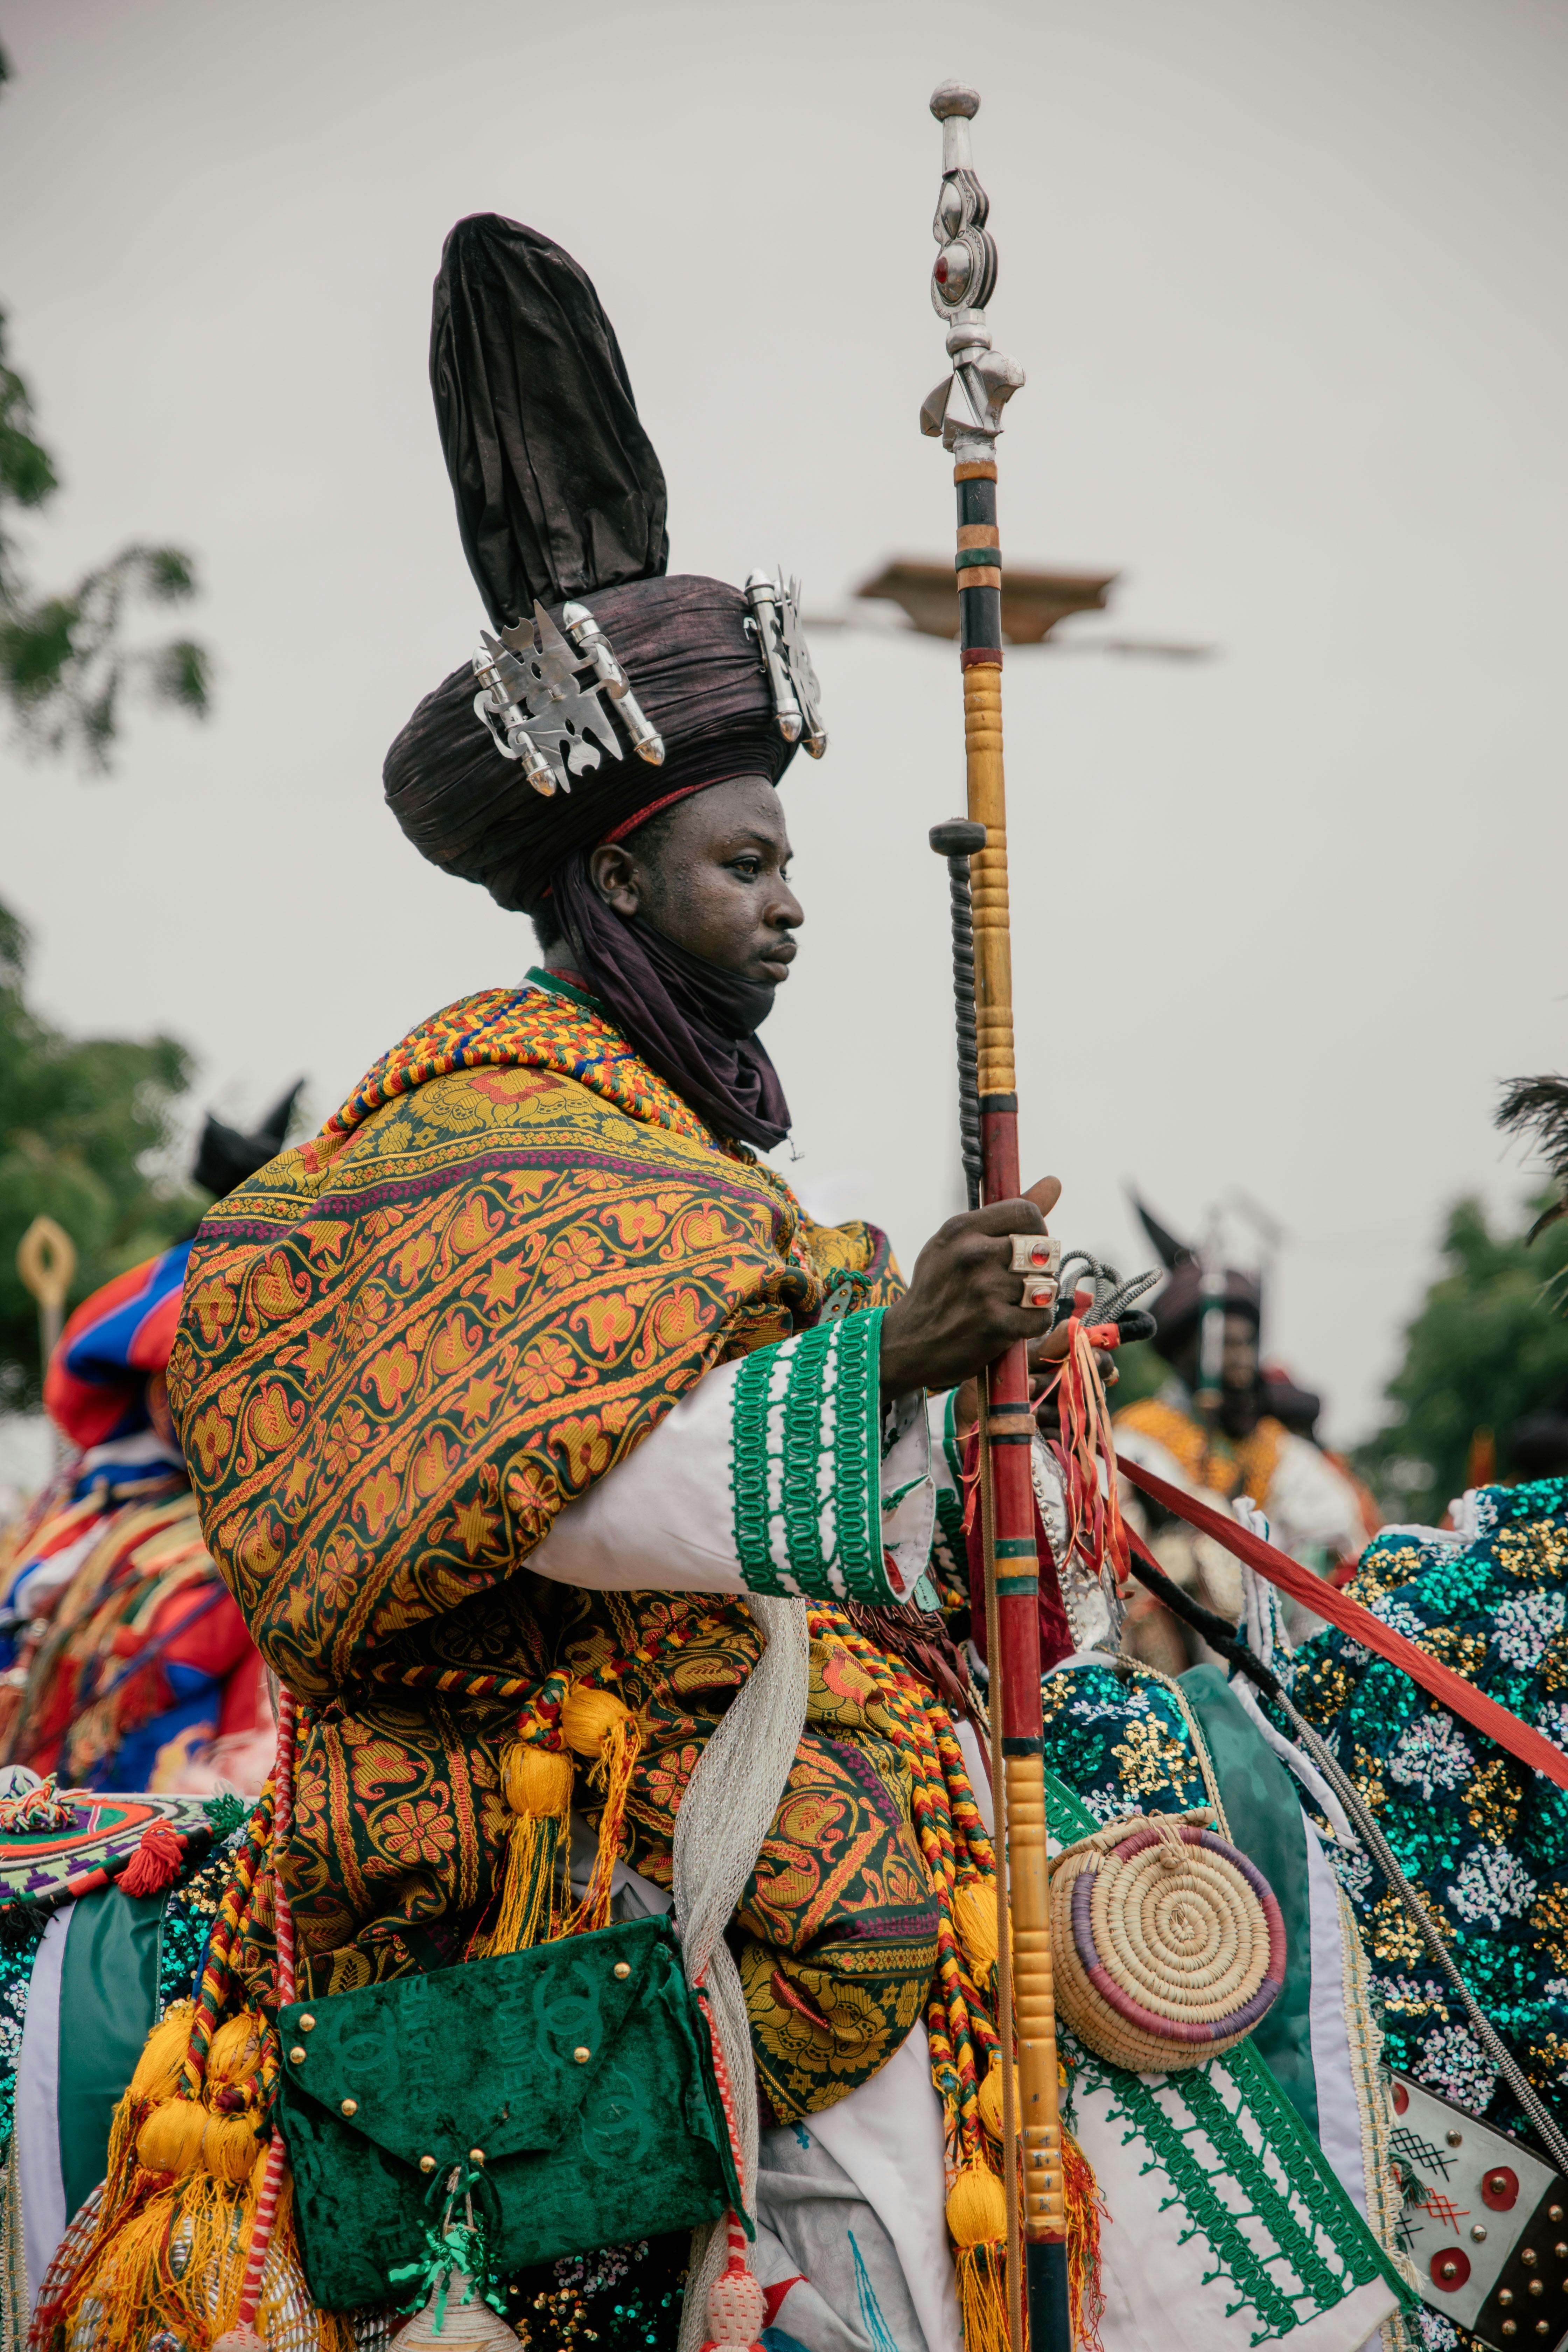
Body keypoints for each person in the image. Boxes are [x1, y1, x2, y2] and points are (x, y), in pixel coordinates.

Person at [39, 220, 1406, 2352]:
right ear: (615, 879)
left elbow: (809, 1483)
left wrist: (981, 1394)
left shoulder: (687, 1147)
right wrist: (885, 1359)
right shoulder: (481, 1121)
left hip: (780, 1759)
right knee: (862, 2124)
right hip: (549, 1808)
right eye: (743, 865)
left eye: (788, 864)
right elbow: (540, 1483)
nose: (788, 912)